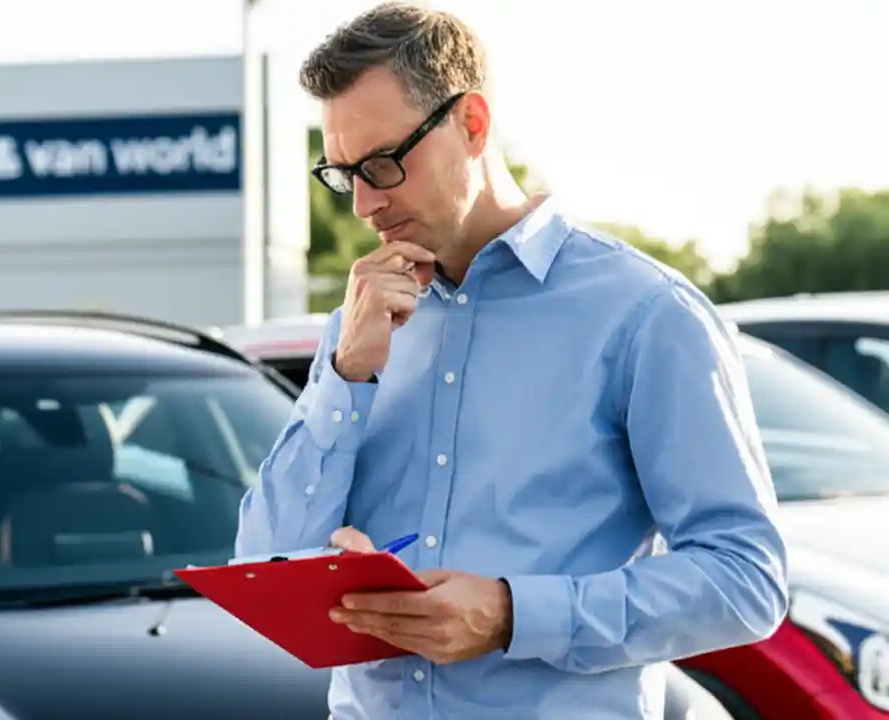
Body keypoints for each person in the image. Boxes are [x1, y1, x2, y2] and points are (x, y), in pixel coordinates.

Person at [233, 2, 788, 718]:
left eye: (383, 164)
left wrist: (511, 613)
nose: (365, 204)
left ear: (472, 124)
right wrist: (347, 375)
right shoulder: (361, 324)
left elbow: (747, 581)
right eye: (343, 175)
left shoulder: (645, 315)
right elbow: (264, 563)